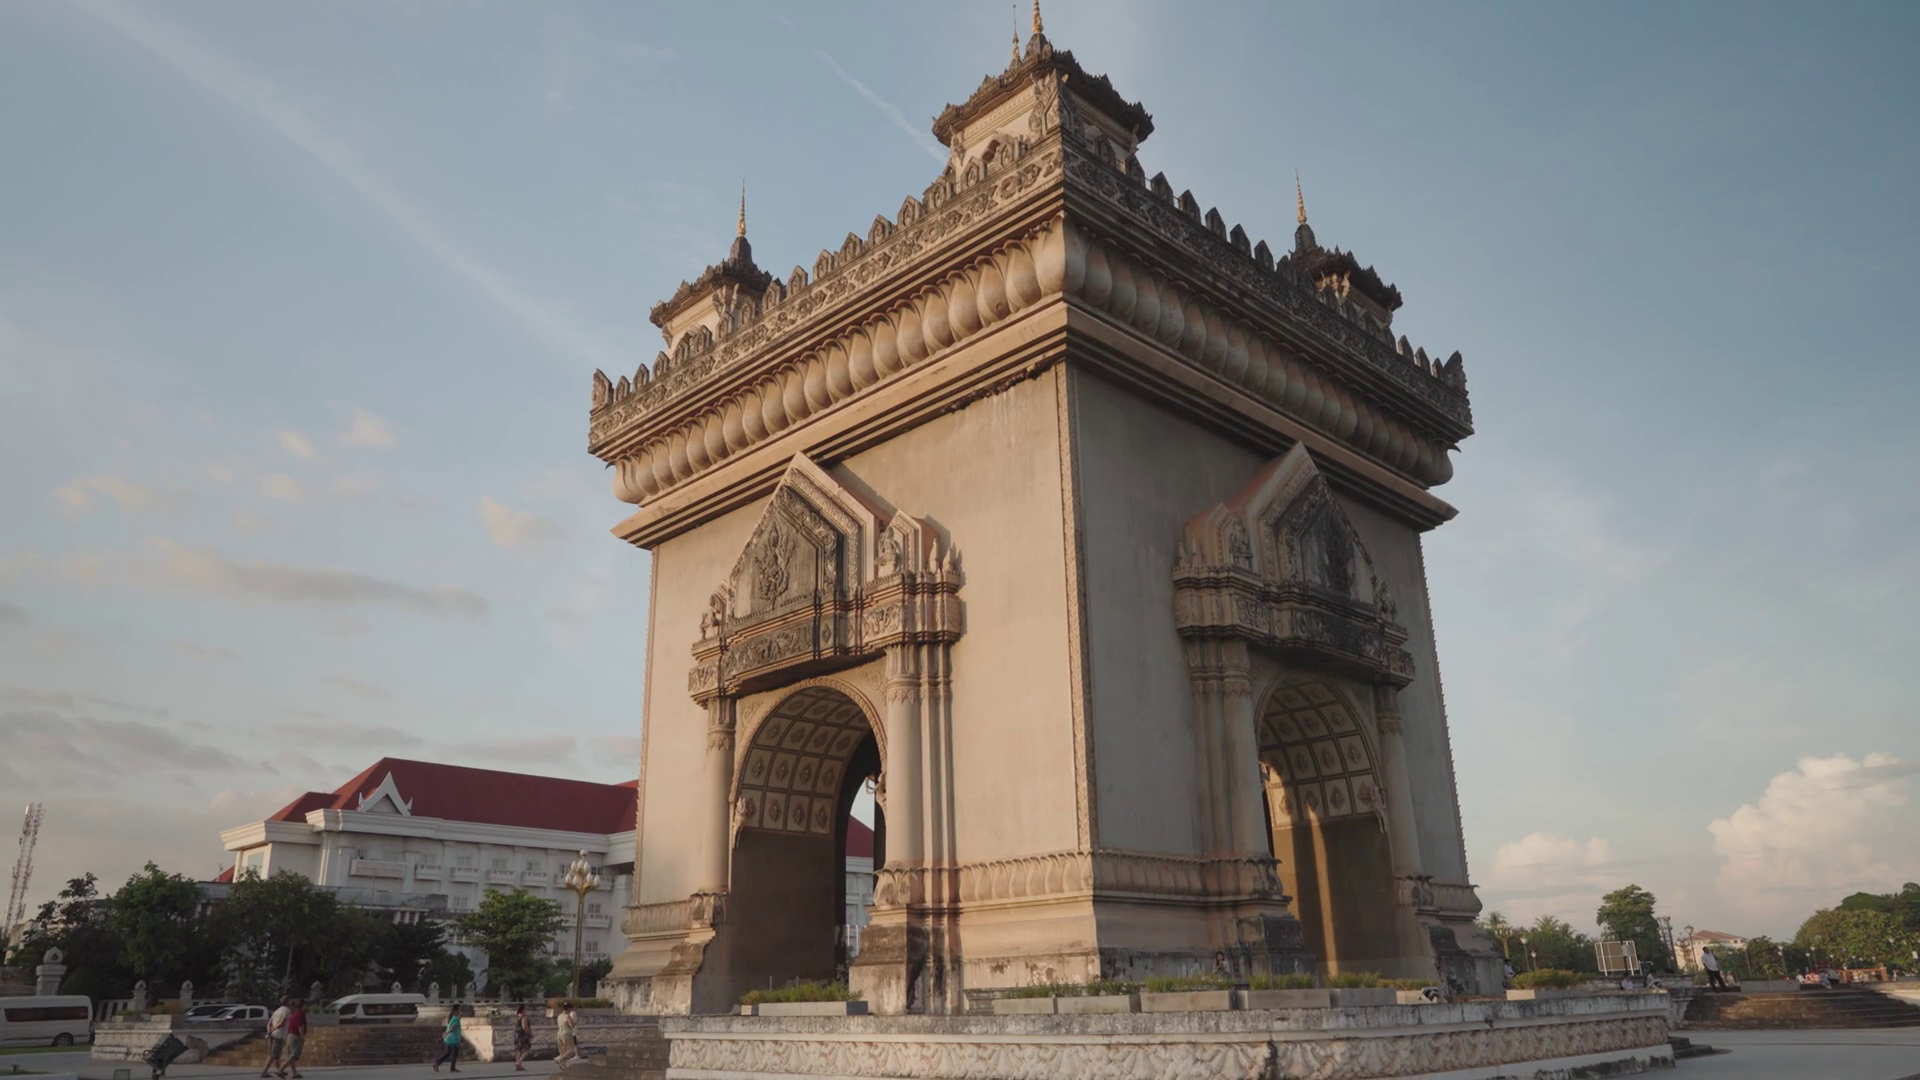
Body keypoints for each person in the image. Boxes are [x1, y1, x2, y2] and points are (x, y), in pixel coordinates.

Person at [260, 997, 291, 1079]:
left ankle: (279, 1070)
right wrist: (274, 1028)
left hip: (272, 1035)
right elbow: (282, 1022)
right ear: (287, 1002)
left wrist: (269, 1030)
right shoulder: (287, 1010)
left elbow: (269, 1023)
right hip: (279, 1034)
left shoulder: (277, 1010)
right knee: (273, 1054)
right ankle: (264, 1072)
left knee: (277, 1055)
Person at [278, 999, 307, 1079]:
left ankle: (294, 1073)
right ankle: (281, 1069)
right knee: (294, 1055)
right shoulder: (300, 1013)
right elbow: (300, 1025)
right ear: (303, 1005)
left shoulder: (294, 1013)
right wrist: (302, 1037)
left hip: (289, 1035)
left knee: (291, 1055)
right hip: (296, 1036)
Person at [433, 1008, 463, 1073]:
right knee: (455, 1054)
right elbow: (453, 1028)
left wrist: (445, 1034)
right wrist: (446, 1032)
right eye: (459, 1011)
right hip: (453, 1039)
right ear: (456, 1012)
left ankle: (437, 1063)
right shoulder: (455, 1019)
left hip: (449, 1039)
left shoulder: (452, 1019)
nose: (461, 1012)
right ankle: (452, 1068)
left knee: (448, 1053)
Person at [556, 1001, 580, 1067]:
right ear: (569, 1009)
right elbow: (572, 1025)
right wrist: (575, 1022)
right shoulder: (567, 1016)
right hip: (566, 1034)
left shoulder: (559, 1016)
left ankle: (563, 1065)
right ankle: (560, 1060)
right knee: (571, 1050)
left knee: (563, 1051)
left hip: (559, 1034)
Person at [511, 1003, 533, 1072]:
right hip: (522, 1036)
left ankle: (518, 1064)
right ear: (523, 1010)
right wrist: (530, 1034)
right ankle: (519, 1062)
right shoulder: (524, 1018)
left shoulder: (517, 1017)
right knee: (526, 1049)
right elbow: (525, 1027)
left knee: (518, 1050)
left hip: (516, 1035)